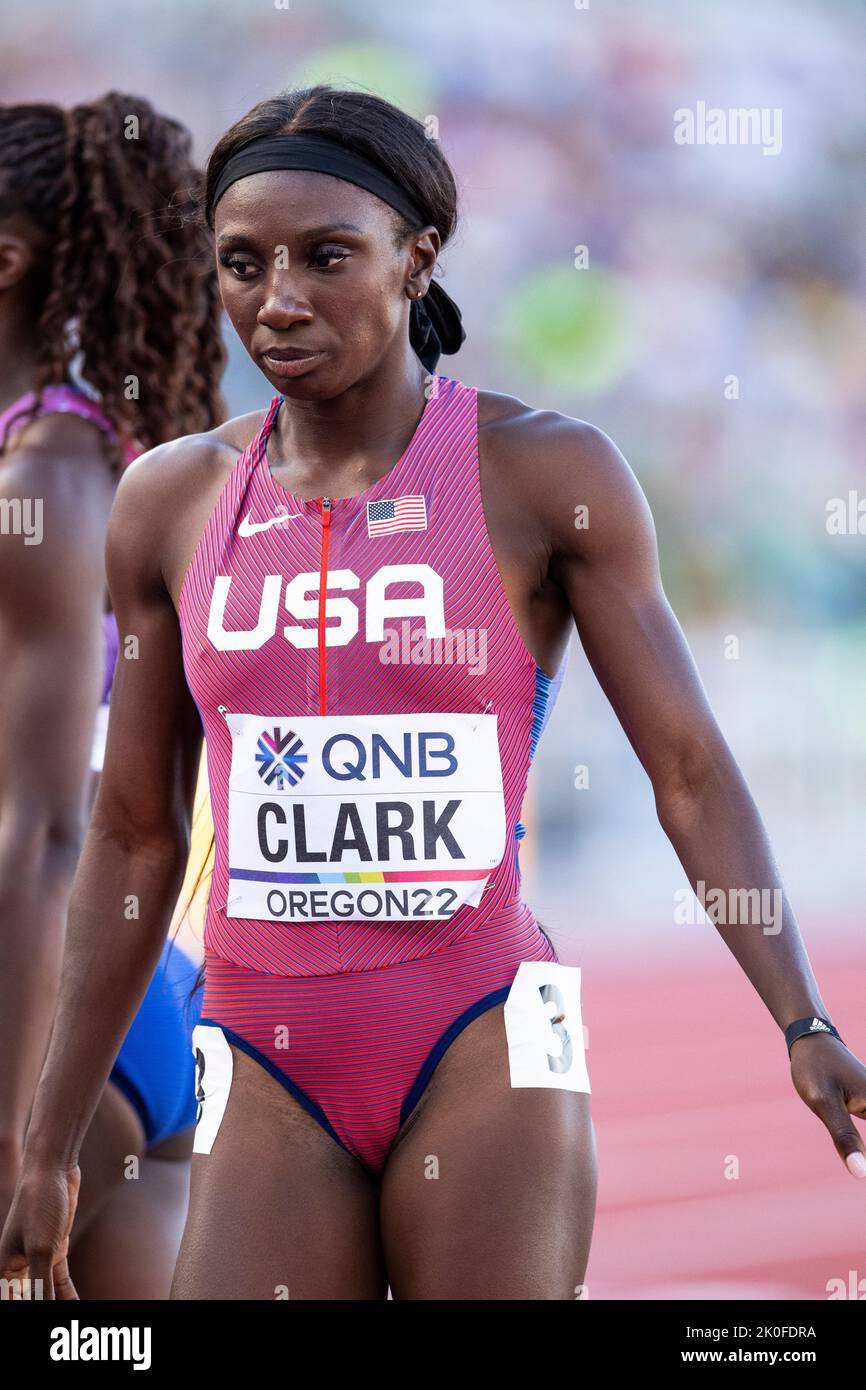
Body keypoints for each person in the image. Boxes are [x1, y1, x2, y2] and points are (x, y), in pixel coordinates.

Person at [3, 83, 864, 1303]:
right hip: (261, 1042)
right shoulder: (170, 500)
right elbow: (137, 832)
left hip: (481, 1032)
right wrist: (47, 1139)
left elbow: (686, 766)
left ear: (418, 258)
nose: (278, 300)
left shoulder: (542, 471)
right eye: (242, 264)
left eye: (326, 256)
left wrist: (800, 1018)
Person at [0, 94, 224, 1297]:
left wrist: (18, 1135)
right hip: (101, 1010)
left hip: (45, 1018)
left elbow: (41, 831)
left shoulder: (49, 473)